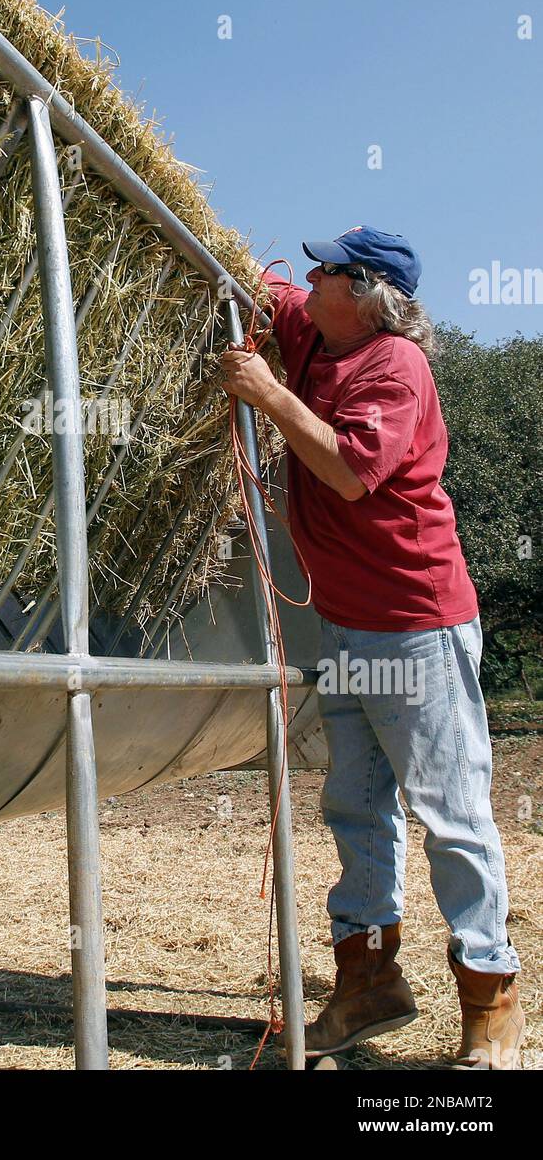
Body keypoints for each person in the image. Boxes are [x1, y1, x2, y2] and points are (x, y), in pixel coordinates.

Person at [218, 225, 524, 1068]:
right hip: (349, 622)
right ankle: (368, 986)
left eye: (327, 269)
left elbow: (350, 472)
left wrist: (269, 397)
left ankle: (492, 1004)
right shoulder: (318, 328)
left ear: (367, 292)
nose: (309, 276)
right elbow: (254, 276)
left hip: (415, 622)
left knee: (448, 811)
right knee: (355, 805)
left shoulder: (396, 365)